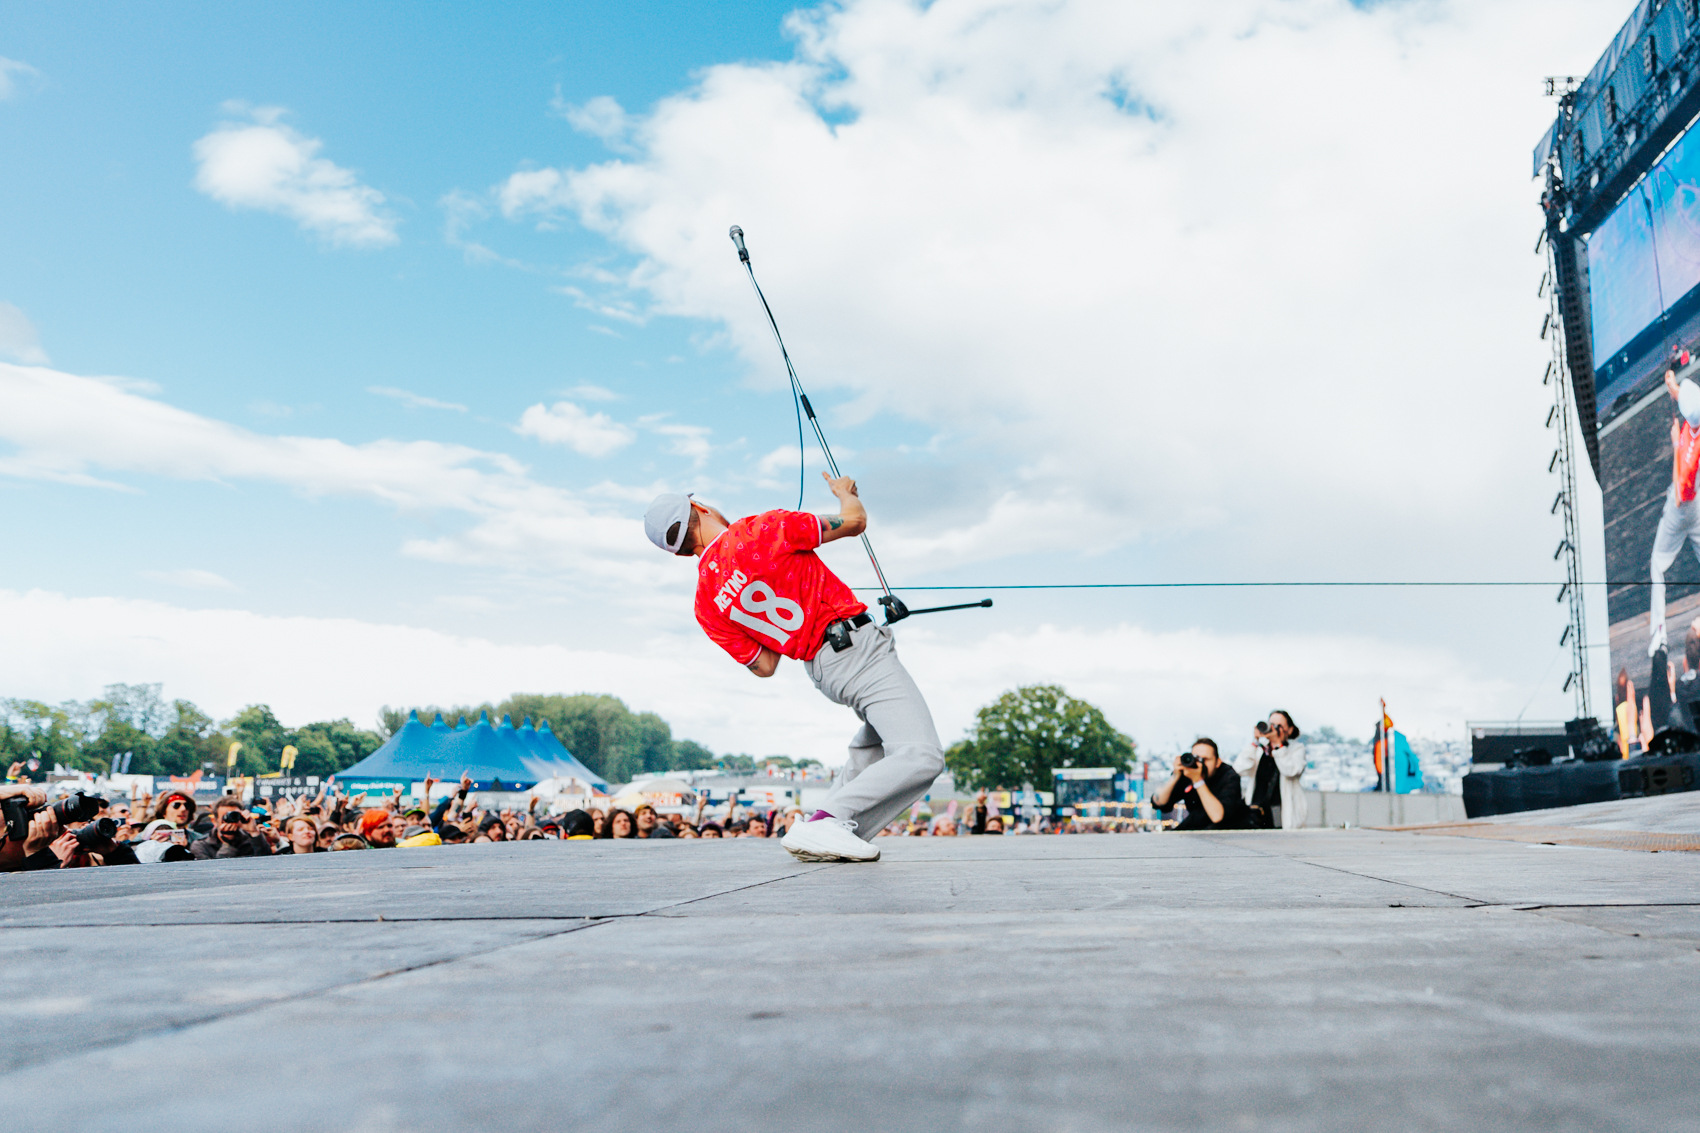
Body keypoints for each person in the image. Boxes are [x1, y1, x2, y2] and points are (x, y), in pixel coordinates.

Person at [644, 472, 945, 863]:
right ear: (699, 507)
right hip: (856, 650)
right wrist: (844, 494)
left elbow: (765, 665)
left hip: (823, 669)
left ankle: (826, 827)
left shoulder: (705, 604)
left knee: (873, 749)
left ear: (682, 552)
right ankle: (828, 820)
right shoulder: (759, 529)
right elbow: (854, 522)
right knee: (922, 755)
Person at [1647, 368, 1700, 663]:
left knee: (1657, 565)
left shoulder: (1690, 457)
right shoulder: (1697, 414)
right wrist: (1672, 384)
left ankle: (1658, 636)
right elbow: (1684, 395)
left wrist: (1676, 448)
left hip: (1683, 506)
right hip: (1697, 503)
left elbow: (1679, 497)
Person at [1234, 711, 1309, 830]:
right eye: (1271, 724)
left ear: (1289, 730)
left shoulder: (1296, 749)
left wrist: (1278, 745)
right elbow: (1240, 769)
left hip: (1280, 811)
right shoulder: (1260, 750)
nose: (1273, 729)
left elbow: (1291, 771)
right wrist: (1256, 742)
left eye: (1279, 726)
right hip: (1255, 810)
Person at [1151, 739, 1245, 830]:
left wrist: (1198, 781)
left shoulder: (1229, 776)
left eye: (1205, 759)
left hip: (1225, 831)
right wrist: (1175, 776)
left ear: (1217, 762)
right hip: (1196, 827)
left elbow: (1217, 817)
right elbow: (1159, 802)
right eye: (1196, 759)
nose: (1201, 764)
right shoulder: (1188, 774)